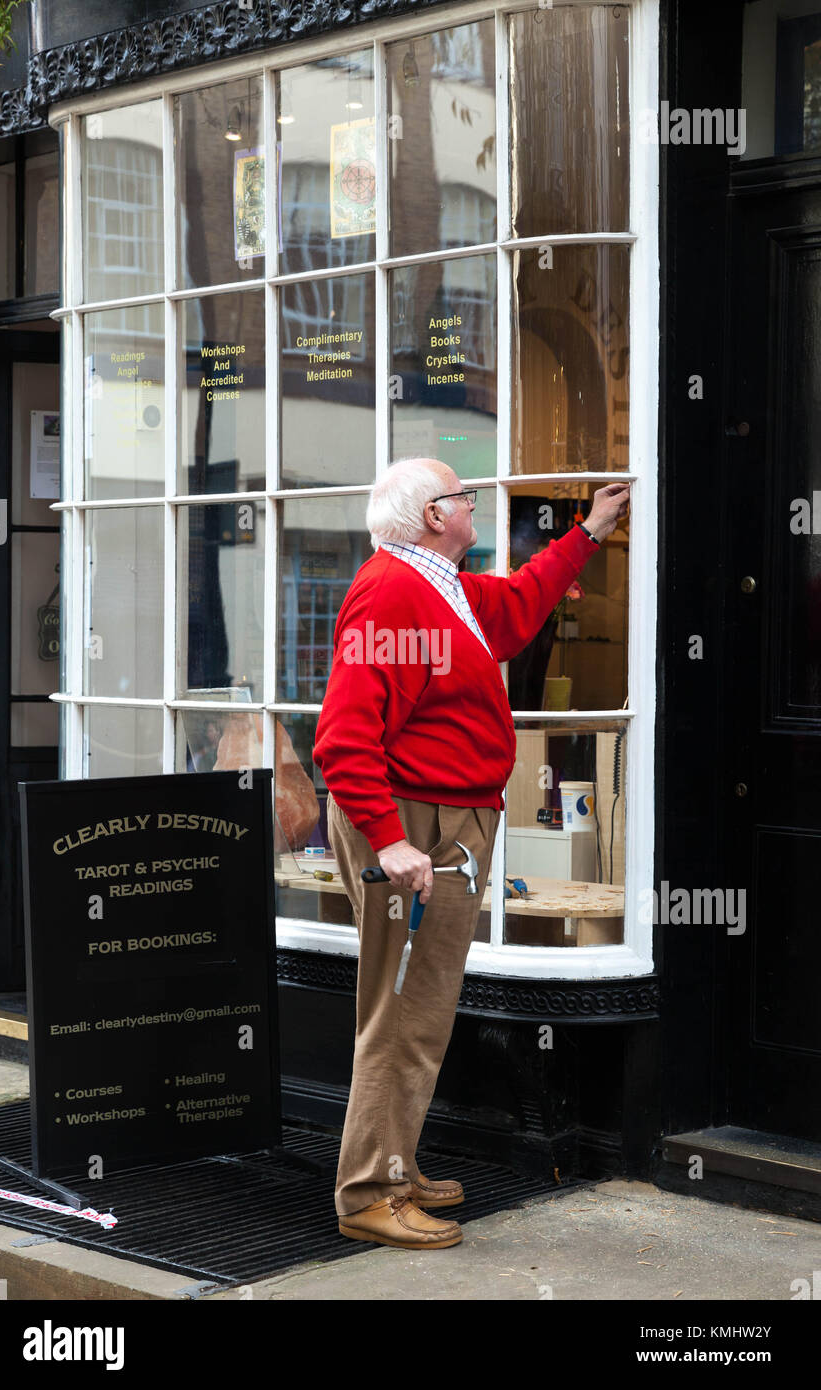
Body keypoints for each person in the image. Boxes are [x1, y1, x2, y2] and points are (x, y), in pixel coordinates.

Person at [312, 457, 630, 1249]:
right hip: (414, 824)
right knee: (403, 1008)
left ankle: (393, 1162)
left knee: (422, 1003)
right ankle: (368, 1195)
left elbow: (517, 608)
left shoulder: (441, 585)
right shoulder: (391, 591)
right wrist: (390, 842)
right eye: (461, 494)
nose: (474, 501)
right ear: (430, 516)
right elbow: (344, 736)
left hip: (443, 821)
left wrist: (588, 532)